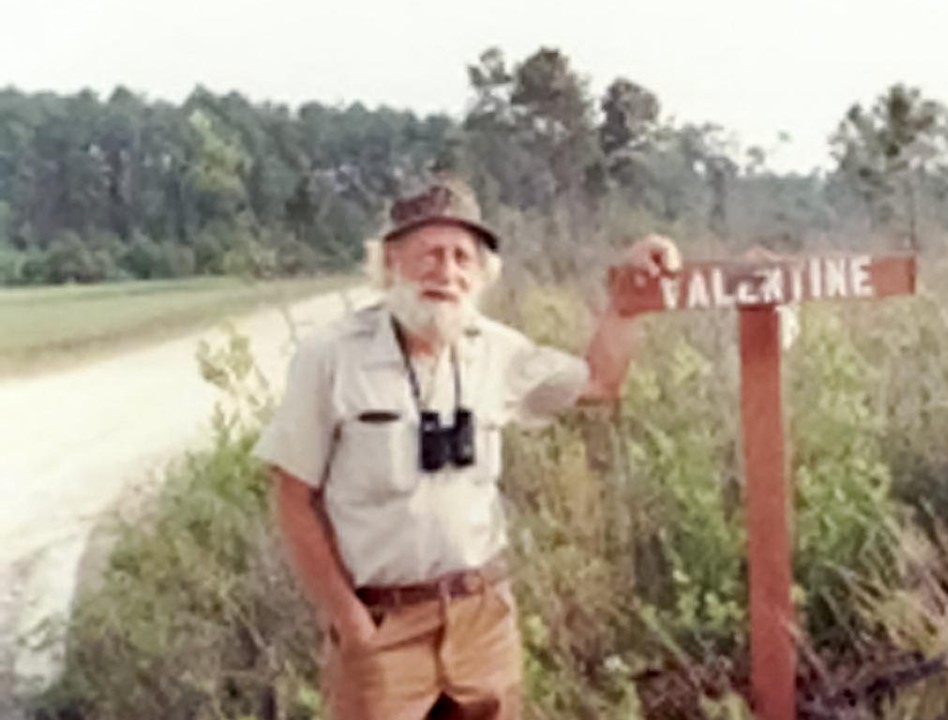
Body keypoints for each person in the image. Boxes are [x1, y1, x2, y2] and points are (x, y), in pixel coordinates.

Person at [253, 177, 680, 720]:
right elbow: (292, 497)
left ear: (481, 274)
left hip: (482, 619)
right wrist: (350, 622)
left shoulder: (497, 351)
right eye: (429, 254)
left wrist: (627, 303)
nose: (446, 272)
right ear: (390, 263)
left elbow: (598, 383)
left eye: (462, 257)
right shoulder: (331, 357)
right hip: (383, 624)